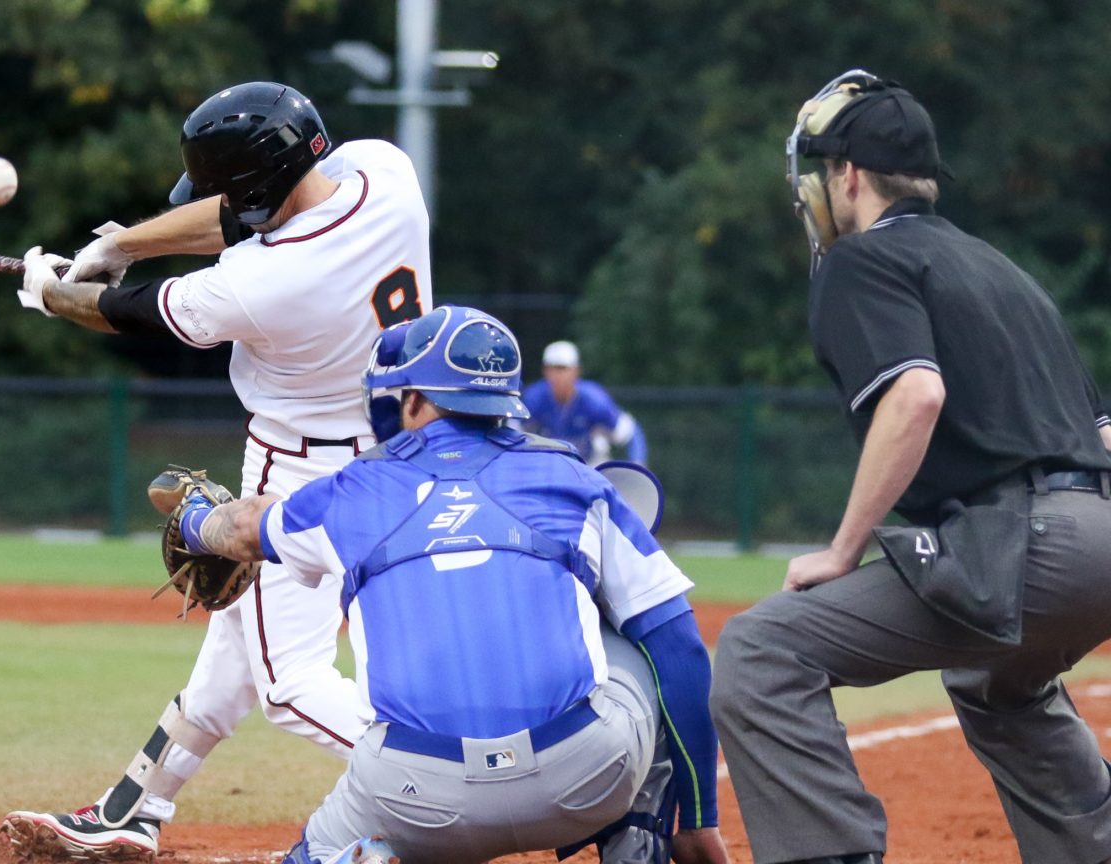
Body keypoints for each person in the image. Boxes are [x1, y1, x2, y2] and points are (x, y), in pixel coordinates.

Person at [0, 81, 432, 860]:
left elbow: (129, 312)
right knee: (235, 653)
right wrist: (123, 243)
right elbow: (244, 211)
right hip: (400, 458)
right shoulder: (385, 176)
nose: (225, 202)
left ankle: (431, 786)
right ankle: (132, 808)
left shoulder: (266, 280)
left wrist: (56, 292)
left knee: (289, 680)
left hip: (296, 480)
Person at [710, 70, 1111, 864]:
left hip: (1030, 542)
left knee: (762, 651)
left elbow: (915, 397)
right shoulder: (1003, 272)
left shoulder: (859, 263)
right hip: (1097, 538)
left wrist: (841, 549)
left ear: (848, 176)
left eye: (825, 174)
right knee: (999, 686)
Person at [167, 305, 728, 864]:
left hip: (415, 796)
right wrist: (699, 820)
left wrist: (193, 519)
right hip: (583, 782)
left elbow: (242, 529)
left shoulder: (354, 490)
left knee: (323, 848)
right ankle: (637, 839)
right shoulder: (570, 477)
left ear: (412, 399)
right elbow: (680, 650)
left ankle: (345, 856)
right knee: (639, 623)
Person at [521, 340, 648, 466]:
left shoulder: (594, 401)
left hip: (592, 469)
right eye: (552, 368)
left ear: (576, 371)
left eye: (563, 368)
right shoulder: (534, 399)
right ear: (545, 371)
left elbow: (631, 433)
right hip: (550, 469)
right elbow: (513, 435)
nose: (558, 374)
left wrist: (638, 466)